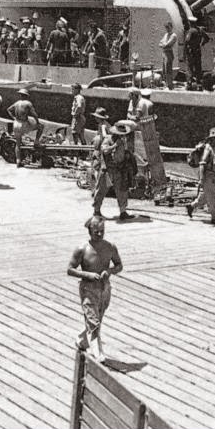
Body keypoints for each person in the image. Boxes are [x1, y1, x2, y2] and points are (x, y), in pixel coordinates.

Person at [67, 215, 123, 362]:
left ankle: (82, 340)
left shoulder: (110, 247)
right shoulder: (82, 249)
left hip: (104, 288)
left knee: (97, 319)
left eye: (102, 231)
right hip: (88, 288)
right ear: (89, 231)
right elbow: (70, 269)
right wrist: (88, 275)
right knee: (93, 321)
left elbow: (119, 265)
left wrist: (109, 271)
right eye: (96, 231)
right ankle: (98, 353)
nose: (99, 234)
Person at [92, 123, 135, 221]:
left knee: (122, 191)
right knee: (101, 190)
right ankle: (96, 210)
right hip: (108, 170)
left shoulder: (123, 141)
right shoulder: (108, 139)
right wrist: (115, 146)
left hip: (119, 169)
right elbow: (104, 151)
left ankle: (123, 212)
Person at [187, 127, 215, 224]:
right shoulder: (208, 148)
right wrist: (201, 179)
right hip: (207, 176)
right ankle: (214, 217)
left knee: (205, 196)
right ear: (213, 138)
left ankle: (192, 206)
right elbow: (202, 163)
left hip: (213, 175)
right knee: (213, 197)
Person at [6, 88, 44, 167]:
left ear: (20, 95)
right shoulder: (28, 103)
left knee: (18, 144)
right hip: (24, 124)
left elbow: (8, 110)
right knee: (41, 127)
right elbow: (34, 114)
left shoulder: (17, 103)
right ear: (26, 96)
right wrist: (37, 121)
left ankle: (18, 160)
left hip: (16, 124)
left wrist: (13, 117)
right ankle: (36, 141)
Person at [182, 18, 209, 83]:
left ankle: (189, 83)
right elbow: (207, 38)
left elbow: (187, 41)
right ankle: (199, 83)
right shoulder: (200, 30)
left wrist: (184, 53)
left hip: (191, 52)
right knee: (198, 67)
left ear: (190, 23)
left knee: (189, 67)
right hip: (198, 51)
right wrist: (201, 44)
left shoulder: (191, 31)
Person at [158, 21, 178, 88]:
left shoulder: (173, 35)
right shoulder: (166, 35)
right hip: (164, 53)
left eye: (168, 27)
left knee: (168, 70)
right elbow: (160, 43)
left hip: (169, 53)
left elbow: (167, 45)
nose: (167, 29)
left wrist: (163, 44)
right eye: (166, 27)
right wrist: (163, 44)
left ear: (171, 27)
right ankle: (166, 84)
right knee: (164, 70)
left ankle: (169, 85)